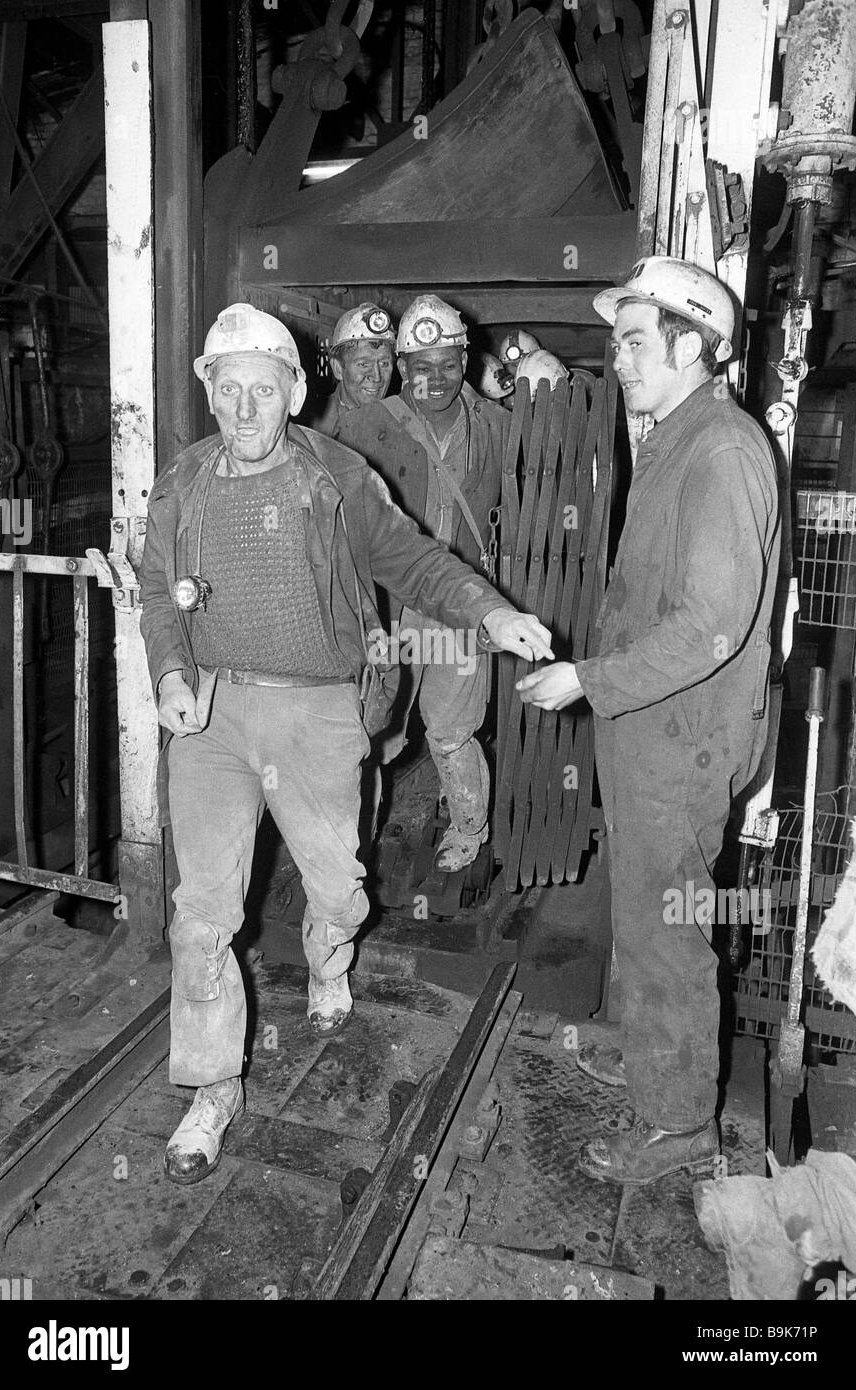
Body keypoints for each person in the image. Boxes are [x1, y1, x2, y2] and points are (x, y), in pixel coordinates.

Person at [138, 302, 553, 1185]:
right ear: (209, 393)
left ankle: (332, 955)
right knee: (201, 916)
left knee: (338, 886)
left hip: (319, 710)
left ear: (295, 390)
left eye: (264, 388)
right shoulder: (181, 481)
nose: (245, 409)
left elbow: (411, 562)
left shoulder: (336, 477)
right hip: (211, 719)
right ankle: (212, 1087)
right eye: (228, 390)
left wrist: (489, 610)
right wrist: (170, 673)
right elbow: (154, 593)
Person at [517, 256, 780, 1185]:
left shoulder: (721, 451)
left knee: (669, 929)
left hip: (683, 738)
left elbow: (712, 629)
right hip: (652, 732)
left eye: (632, 340)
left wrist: (587, 678)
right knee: (643, 908)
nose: (617, 358)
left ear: (689, 346)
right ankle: (645, 1049)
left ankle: (677, 1128)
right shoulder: (674, 437)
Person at [338, 293, 508, 872]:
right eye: (420, 366)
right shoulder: (365, 427)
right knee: (374, 732)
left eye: (449, 364)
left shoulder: (498, 427)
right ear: (402, 368)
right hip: (390, 606)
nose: (435, 379)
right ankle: (355, 842)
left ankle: (469, 827)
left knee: (452, 730)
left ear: (467, 360)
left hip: (460, 601)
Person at [314, 301, 396, 438]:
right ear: (338, 368)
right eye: (364, 364)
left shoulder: (403, 423)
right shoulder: (314, 428)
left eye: (384, 364)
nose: (377, 377)